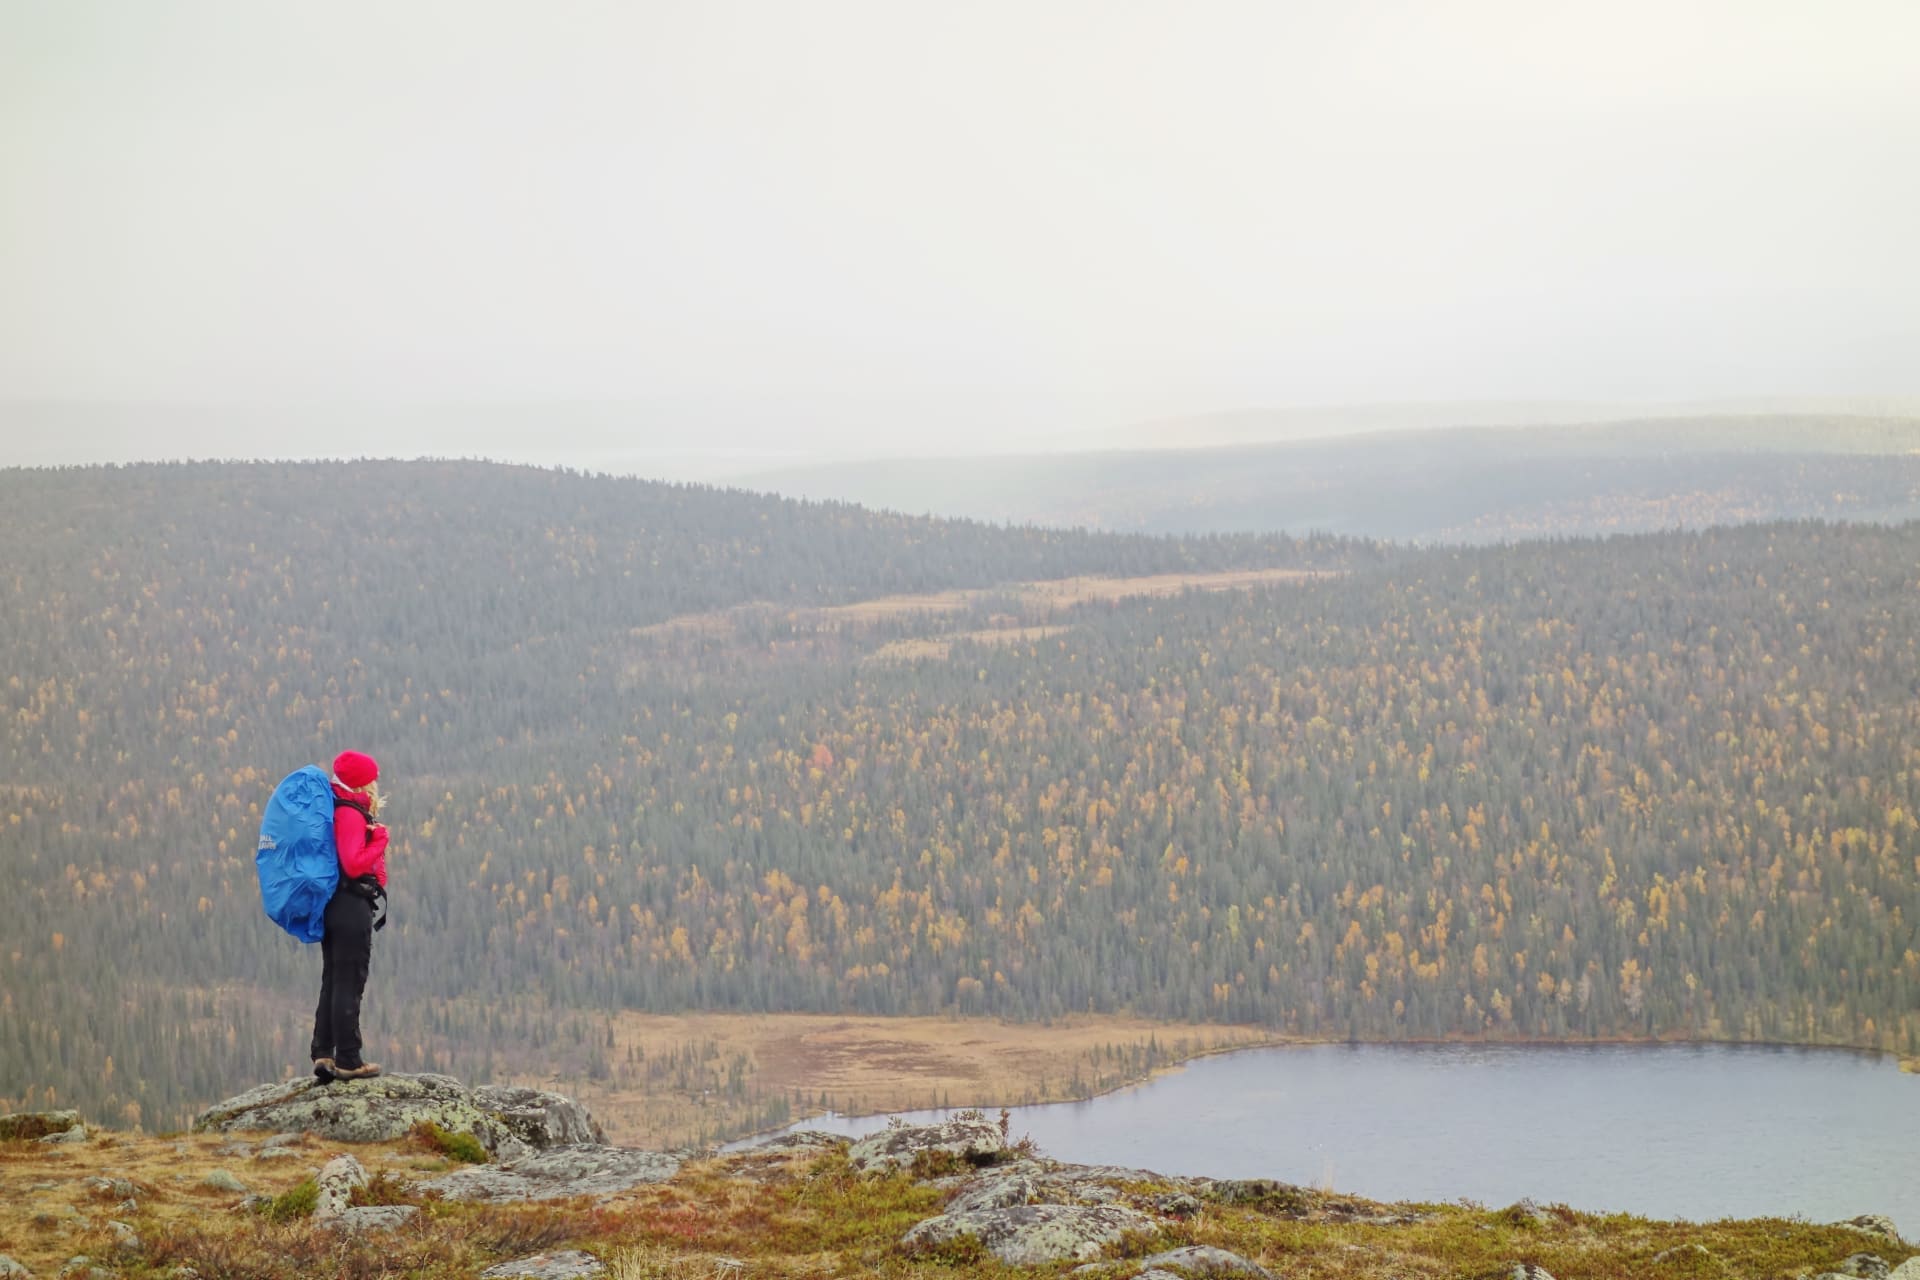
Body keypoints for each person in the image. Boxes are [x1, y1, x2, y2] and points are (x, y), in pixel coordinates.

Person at [310, 749, 389, 1081]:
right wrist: (380, 839)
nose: (374, 784)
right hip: (350, 906)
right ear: (361, 782)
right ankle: (349, 1060)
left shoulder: (334, 807)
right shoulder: (351, 814)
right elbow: (353, 863)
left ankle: (323, 1054)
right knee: (350, 981)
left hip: (332, 905)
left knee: (332, 979)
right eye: (371, 779)